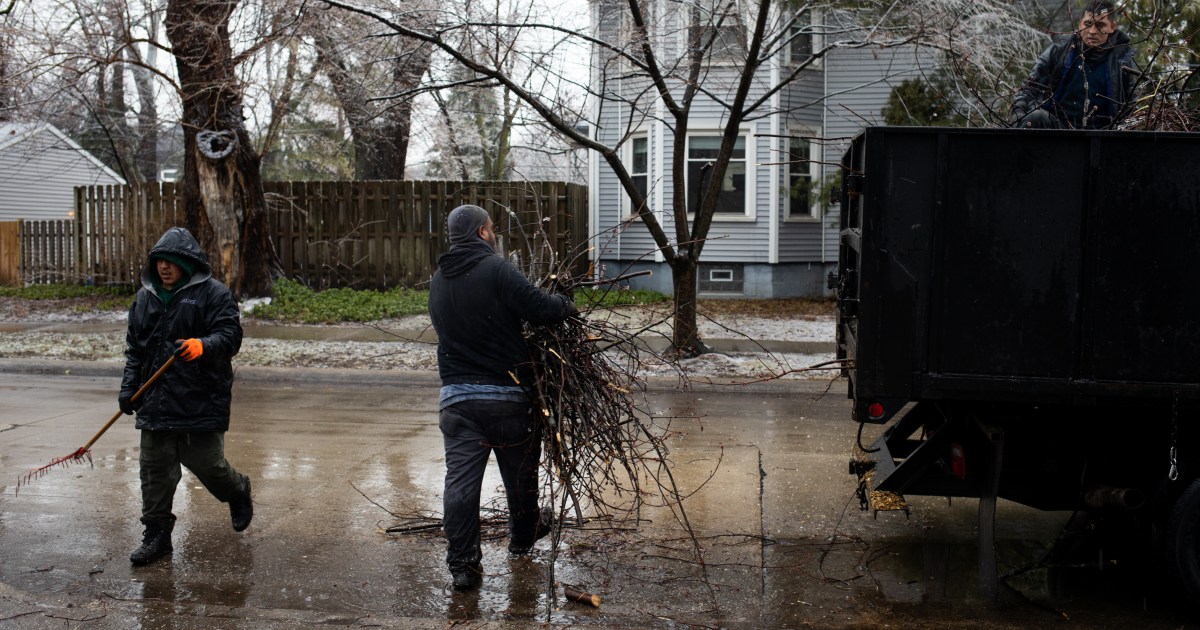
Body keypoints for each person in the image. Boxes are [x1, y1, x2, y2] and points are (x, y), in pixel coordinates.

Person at [428, 204, 576, 590]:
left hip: (457, 401)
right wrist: (566, 305)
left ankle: (463, 566)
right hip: (507, 397)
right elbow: (540, 309)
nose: (494, 235)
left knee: (460, 484)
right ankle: (521, 540)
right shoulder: (496, 269)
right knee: (520, 477)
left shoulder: (438, 280)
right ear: (481, 233)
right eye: (491, 229)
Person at [119, 227, 253, 566]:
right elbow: (135, 348)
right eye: (160, 261)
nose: (165, 267)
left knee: (210, 466)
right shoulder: (144, 298)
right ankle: (157, 535)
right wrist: (128, 388)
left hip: (199, 399)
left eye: (172, 261)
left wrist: (202, 345)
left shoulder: (213, 294)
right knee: (154, 472)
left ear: (187, 263)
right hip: (155, 401)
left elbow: (230, 337)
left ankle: (238, 490)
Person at [1011, 1, 1138, 129]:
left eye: (1100, 25)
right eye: (1088, 24)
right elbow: (1030, 88)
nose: (1092, 31)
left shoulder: (1122, 59)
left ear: (1112, 27)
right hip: (1057, 128)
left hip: (1103, 135)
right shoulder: (1060, 50)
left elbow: (1131, 106)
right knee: (1036, 118)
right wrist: (1018, 116)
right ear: (1079, 24)